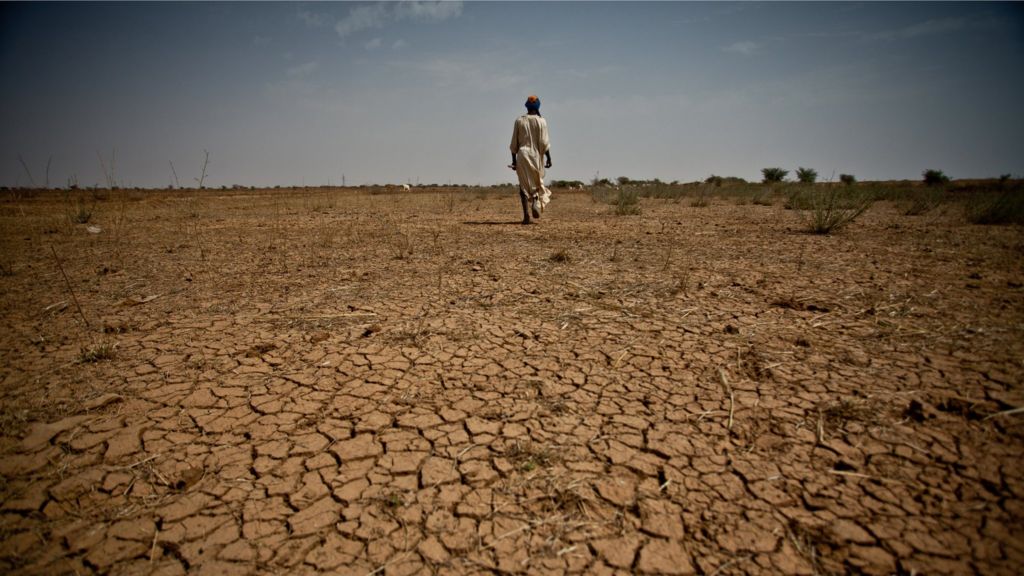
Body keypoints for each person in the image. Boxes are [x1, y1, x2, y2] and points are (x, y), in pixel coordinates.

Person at [509, 95, 552, 224]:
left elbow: (514, 143)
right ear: (538, 107)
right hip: (536, 156)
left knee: (523, 187)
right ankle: (535, 202)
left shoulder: (519, 121)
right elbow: (545, 143)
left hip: (522, 155)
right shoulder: (542, 121)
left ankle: (526, 216)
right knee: (537, 184)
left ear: (526, 106)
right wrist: (549, 158)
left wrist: (514, 161)